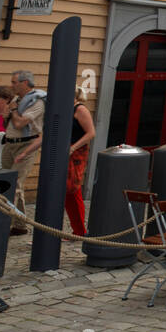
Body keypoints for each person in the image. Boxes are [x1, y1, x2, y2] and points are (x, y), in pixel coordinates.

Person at [3, 69, 46, 234]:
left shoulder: (36, 102)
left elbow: (20, 124)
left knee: (14, 185)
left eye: (15, 82)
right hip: (10, 144)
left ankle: (5, 223)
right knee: (11, 184)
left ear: (25, 83)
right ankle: (20, 225)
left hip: (26, 145)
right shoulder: (16, 100)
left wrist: (13, 110)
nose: (12, 85)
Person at [65, 87, 96, 237]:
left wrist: (73, 148)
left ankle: (79, 230)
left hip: (76, 154)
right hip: (64, 153)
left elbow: (91, 132)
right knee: (64, 192)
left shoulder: (80, 109)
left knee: (72, 189)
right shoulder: (65, 109)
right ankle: (76, 229)